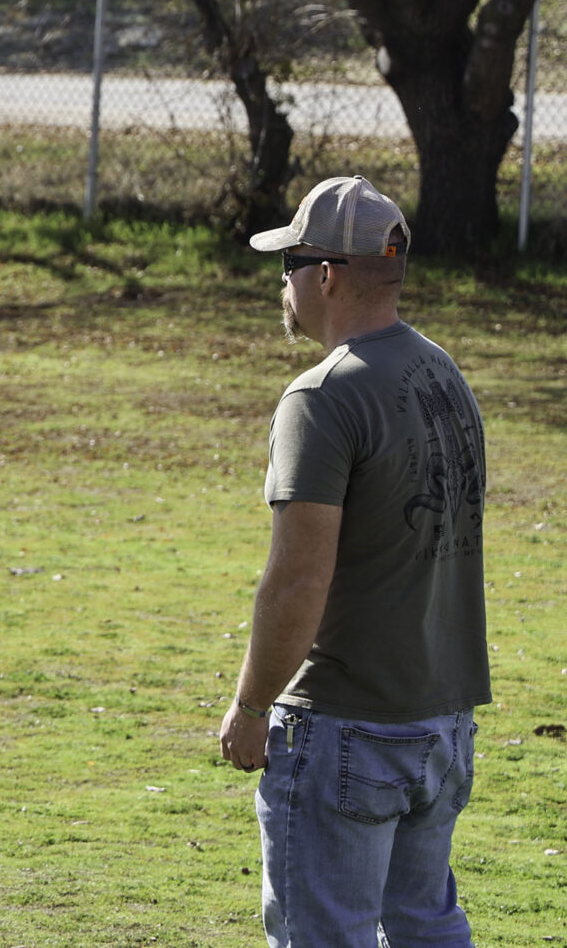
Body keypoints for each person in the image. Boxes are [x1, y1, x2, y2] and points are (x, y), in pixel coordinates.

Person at [219, 175, 489, 947]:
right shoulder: (445, 376)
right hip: (442, 723)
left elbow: (299, 580)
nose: (283, 284)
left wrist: (252, 705)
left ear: (327, 275)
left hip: (347, 727)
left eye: (289, 266)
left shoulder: (323, 398)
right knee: (425, 930)